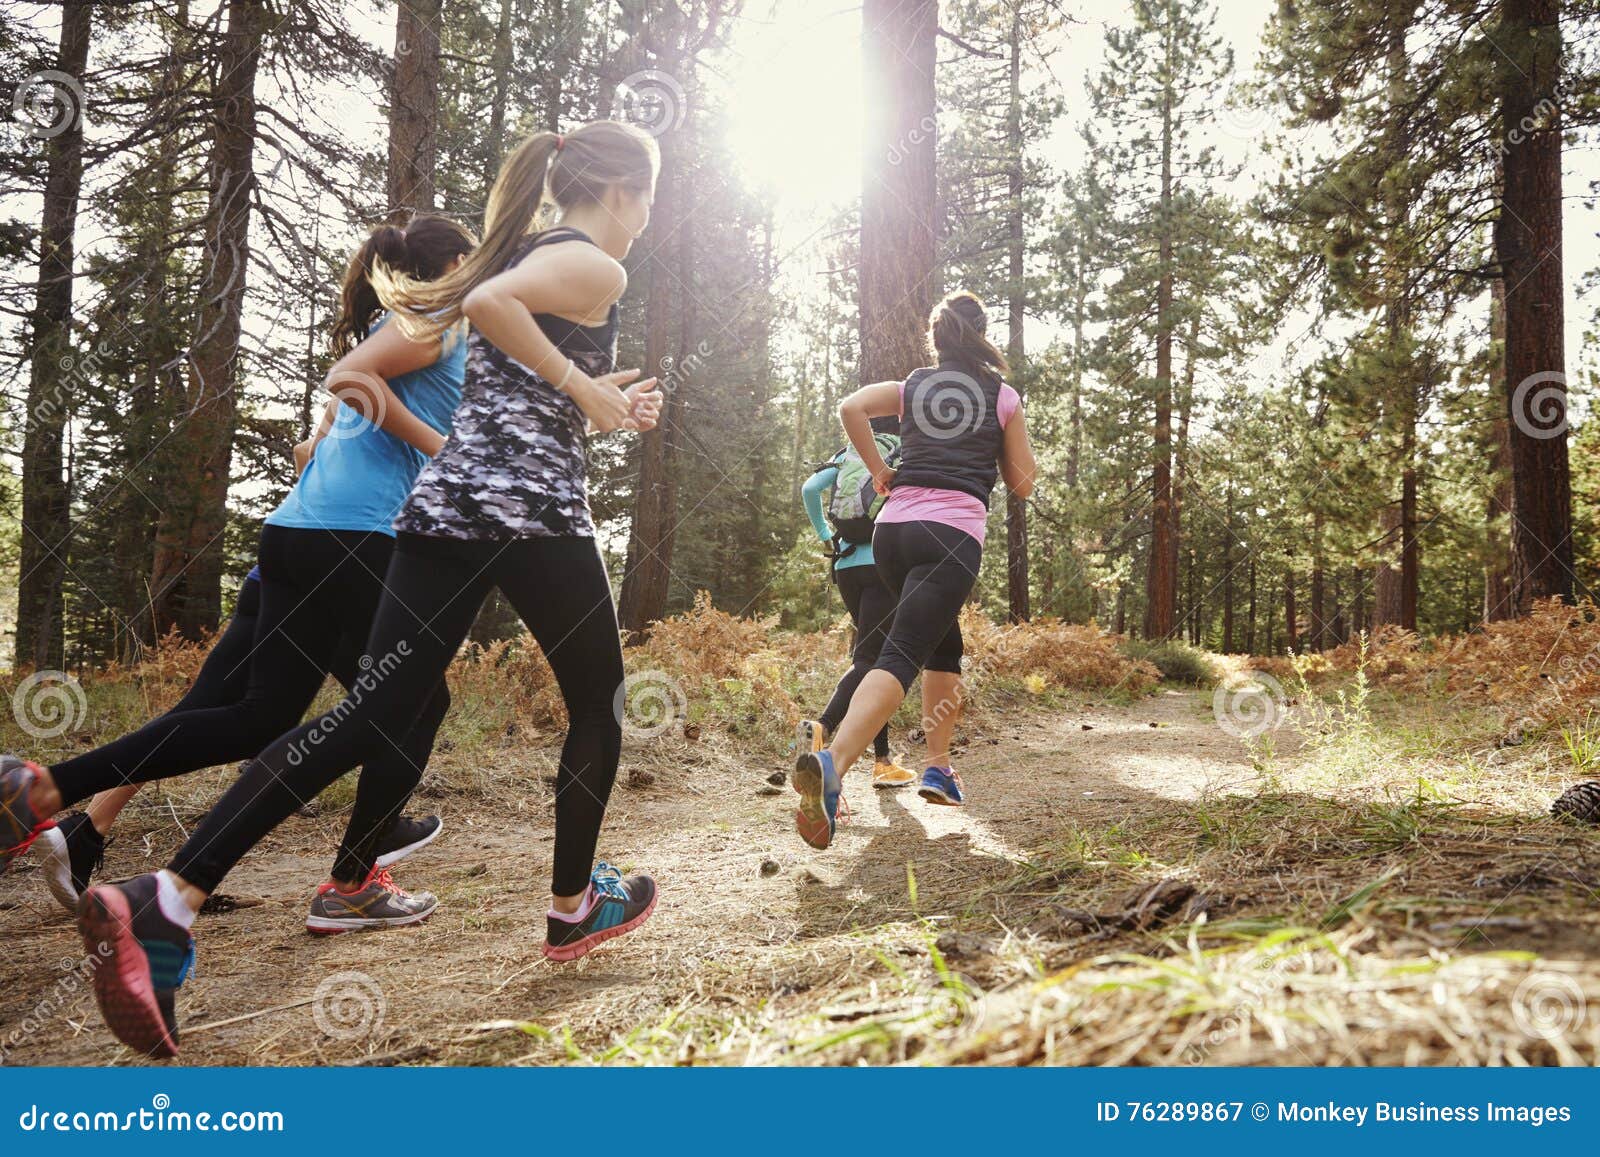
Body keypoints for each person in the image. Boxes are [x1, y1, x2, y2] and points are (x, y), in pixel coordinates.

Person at [65, 120, 665, 1059]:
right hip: (533, 516)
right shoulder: (592, 263)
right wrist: (579, 389)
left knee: (372, 711)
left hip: (445, 512)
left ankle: (169, 898)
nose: (648, 216)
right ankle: (574, 906)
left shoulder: (538, 254)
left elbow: (506, 349)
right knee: (601, 704)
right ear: (622, 191)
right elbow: (502, 306)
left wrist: (602, 397)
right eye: (651, 194)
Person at [2, 215, 478, 935]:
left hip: (297, 533)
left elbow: (314, 442)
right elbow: (348, 388)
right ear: (454, 266)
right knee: (414, 702)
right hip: (352, 539)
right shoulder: (433, 324)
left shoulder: (398, 332)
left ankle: (45, 790)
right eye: (476, 259)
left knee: (261, 714)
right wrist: (440, 451)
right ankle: (353, 875)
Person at [792, 291, 1036, 849]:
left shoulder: (912, 386)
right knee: (900, 654)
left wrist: (881, 471)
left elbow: (851, 406)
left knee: (941, 645)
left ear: (938, 338)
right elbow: (1022, 483)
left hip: (892, 535)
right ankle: (833, 764)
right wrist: (1008, 451)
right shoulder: (1002, 396)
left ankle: (938, 768)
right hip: (949, 536)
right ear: (982, 334)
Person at [794, 419, 915, 788]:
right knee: (872, 662)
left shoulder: (848, 452)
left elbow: (810, 488)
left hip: (846, 565)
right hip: (884, 566)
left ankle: (883, 761)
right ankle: (823, 726)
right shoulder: (906, 450)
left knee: (874, 662)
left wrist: (824, 536)